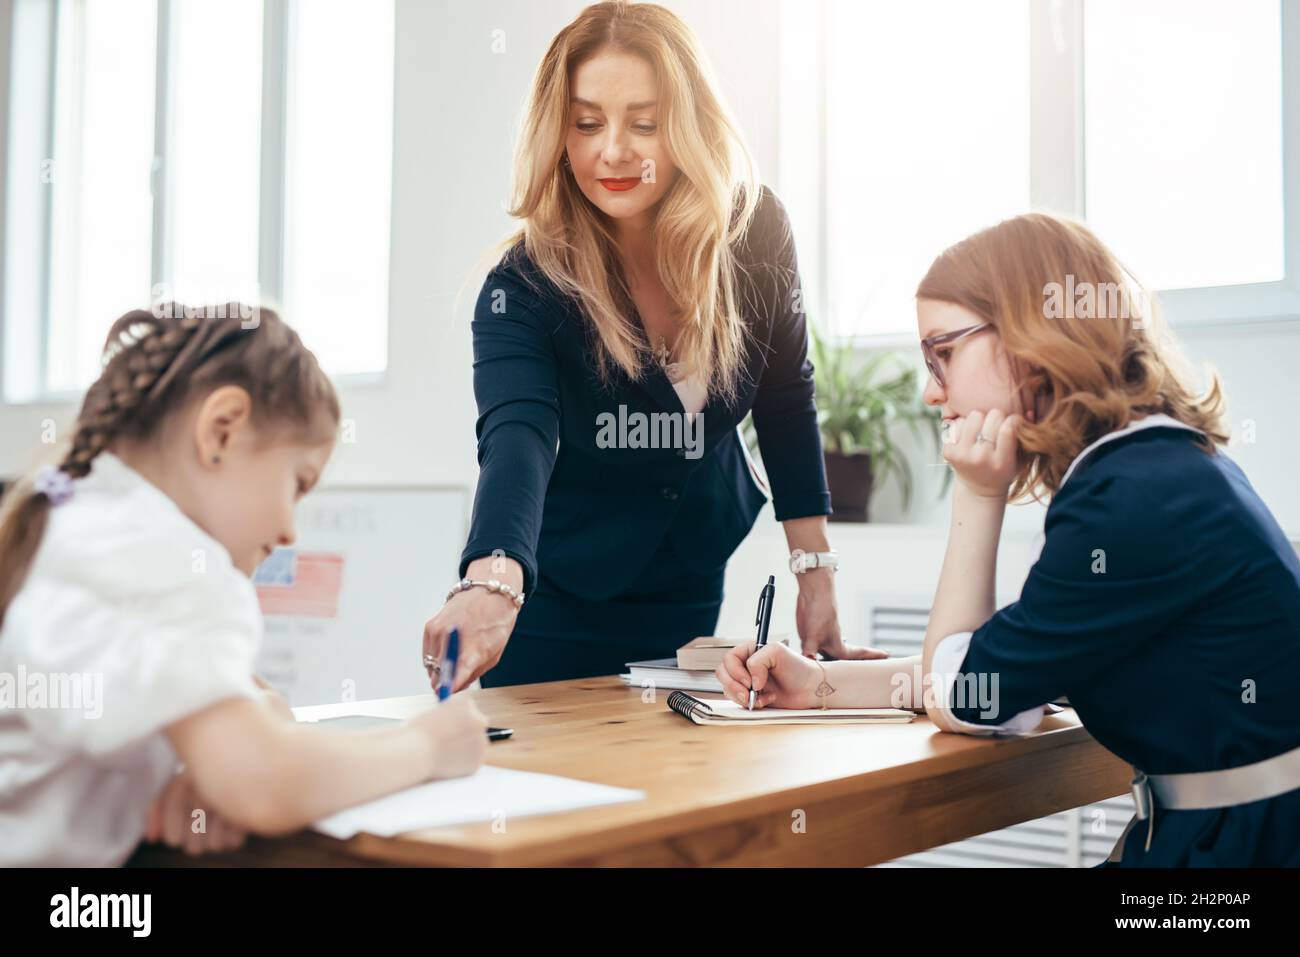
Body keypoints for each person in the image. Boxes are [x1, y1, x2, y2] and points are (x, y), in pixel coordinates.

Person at [717, 213, 1300, 866]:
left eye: (944, 353)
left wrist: (978, 494)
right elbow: (1015, 681)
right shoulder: (1156, 467)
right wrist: (816, 685)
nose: (932, 391)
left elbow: (968, 694)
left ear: (1031, 334)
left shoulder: (1127, 500)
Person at [423, 1, 885, 690]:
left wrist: (813, 571)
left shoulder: (755, 231)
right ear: (558, 132)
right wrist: (493, 579)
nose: (614, 149)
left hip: (690, 575)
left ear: (690, 123)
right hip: (555, 598)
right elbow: (516, 433)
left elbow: (785, 396)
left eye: (645, 122)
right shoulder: (523, 286)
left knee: (678, 778)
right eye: (587, 123)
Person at [0, 304, 487, 866]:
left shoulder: (79, 521)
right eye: (297, 484)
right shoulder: (169, 559)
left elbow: (253, 712)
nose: (288, 531)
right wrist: (427, 746)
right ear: (222, 430)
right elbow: (263, 782)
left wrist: (210, 767)